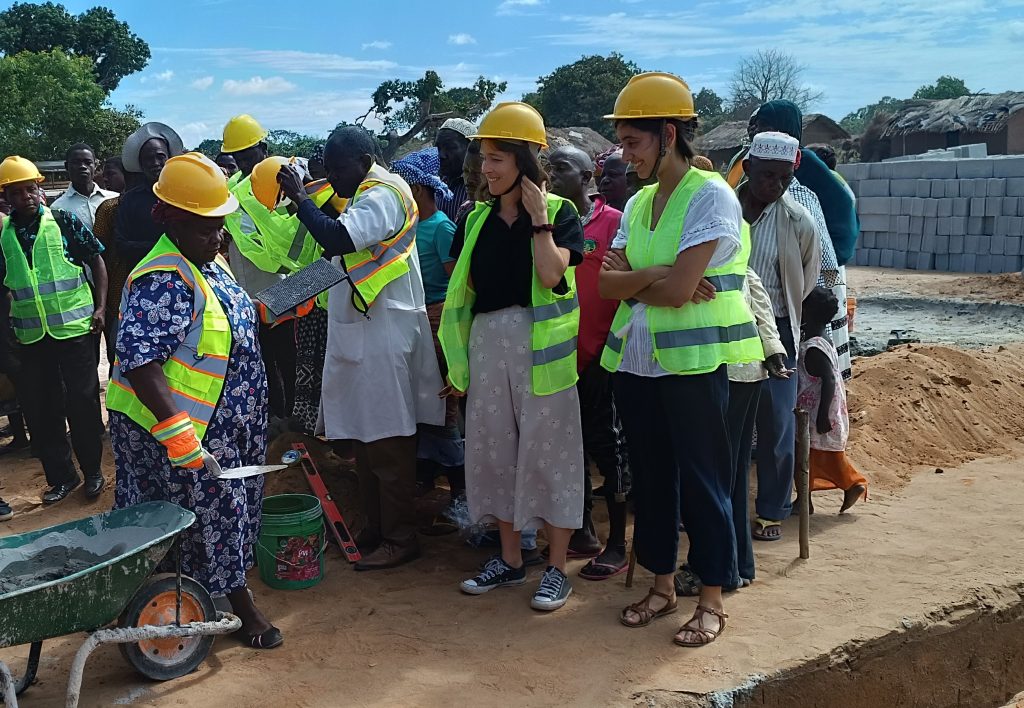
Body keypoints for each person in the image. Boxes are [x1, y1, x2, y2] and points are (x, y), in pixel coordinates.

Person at [599, 73, 762, 647]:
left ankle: (712, 596)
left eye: (634, 143)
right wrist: (655, 278)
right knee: (651, 477)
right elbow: (605, 283)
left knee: (703, 478)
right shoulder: (640, 200)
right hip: (640, 364)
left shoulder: (710, 194)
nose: (625, 155)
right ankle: (662, 584)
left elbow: (677, 291)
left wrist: (643, 282)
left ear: (668, 134)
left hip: (693, 364)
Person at [107, 152, 281, 649]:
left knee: (227, 507)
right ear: (170, 219)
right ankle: (238, 606)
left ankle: (196, 591)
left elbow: (218, 323)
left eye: (221, 225)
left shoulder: (206, 258)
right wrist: (179, 433)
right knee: (208, 512)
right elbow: (140, 362)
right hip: (177, 428)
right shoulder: (163, 277)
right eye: (206, 227)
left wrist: (265, 310)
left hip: (227, 424)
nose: (219, 236)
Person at [276, 125, 444, 571]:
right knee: (367, 441)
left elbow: (337, 239)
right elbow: (339, 264)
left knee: (388, 441)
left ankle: (400, 536)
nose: (331, 177)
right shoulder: (365, 193)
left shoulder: (383, 194)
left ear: (365, 159)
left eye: (338, 168)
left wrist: (301, 198)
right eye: (327, 169)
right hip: (365, 334)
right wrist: (277, 302)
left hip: (384, 336)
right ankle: (375, 528)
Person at [441, 102, 585, 611]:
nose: (486, 167)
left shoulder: (563, 215)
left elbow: (551, 276)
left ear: (526, 159)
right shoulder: (474, 219)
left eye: (498, 157)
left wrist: (540, 218)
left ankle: (556, 568)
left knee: (551, 452)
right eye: (484, 157)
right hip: (486, 345)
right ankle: (510, 559)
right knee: (495, 450)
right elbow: (467, 289)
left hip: (541, 350)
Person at [675, 266, 789, 596]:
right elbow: (757, 292)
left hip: (722, 373)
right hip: (745, 369)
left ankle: (713, 567)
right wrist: (772, 348)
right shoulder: (732, 250)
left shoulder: (700, 251)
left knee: (711, 477)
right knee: (729, 475)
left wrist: (772, 349)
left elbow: (753, 292)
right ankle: (737, 566)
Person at [0, 156, 107, 503]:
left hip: (74, 331)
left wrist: (102, 307)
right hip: (30, 339)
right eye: (17, 193)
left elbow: (96, 259)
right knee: (41, 410)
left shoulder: (63, 222)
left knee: (82, 403)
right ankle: (62, 477)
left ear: (39, 189)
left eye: (30, 189)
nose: (26, 197)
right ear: (7, 197)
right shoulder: (3, 237)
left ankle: (92, 472)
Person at [546, 145, 631, 580]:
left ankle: (618, 543)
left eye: (561, 167)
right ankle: (582, 531)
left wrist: (605, 357)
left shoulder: (615, 224)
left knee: (610, 450)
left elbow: (627, 296)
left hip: (602, 361)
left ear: (586, 177)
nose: (550, 173)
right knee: (566, 449)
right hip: (558, 361)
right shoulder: (549, 225)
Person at [735, 132, 821, 541]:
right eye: (768, 175)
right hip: (725, 328)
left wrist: (778, 325)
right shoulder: (719, 210)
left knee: (776, 424)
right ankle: (721, 507)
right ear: (748, 168)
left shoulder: (798, 223)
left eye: (785, 178)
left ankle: (771, 510)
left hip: (780, 331)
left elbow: (805, 282)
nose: (776, 185)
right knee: (721, 418)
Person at [733, 101, 856, 381]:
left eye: (761, 125)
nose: (753, 131)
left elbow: (819, 275)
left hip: (786, 317)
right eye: (753, 126)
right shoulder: (733, 193)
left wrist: (812, 327)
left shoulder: (798, 199)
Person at [390, 147, 465, 510]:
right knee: (421, 400)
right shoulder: (411, 226)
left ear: (418, 190)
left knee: (441, 403)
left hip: (436, 317)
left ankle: (459, 488)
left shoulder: (440, 228)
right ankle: (429, 475)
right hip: (418, 317)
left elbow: (455, 285)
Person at [798, 286, 867, 512]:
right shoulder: (821, 338)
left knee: (810, 459)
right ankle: (804, 499)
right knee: (812, 458)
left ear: (806, 312)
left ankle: (853, 484)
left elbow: (828, 380)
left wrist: (822, 415)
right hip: (820, 410)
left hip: (817, 412)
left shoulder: (813, 348)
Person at [116, 122, 184, 269]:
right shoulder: (129, 200)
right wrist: (165, 248)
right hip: (145, 273)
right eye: (148, 158)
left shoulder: (185, 194)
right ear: (140, 163)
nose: (155, 163)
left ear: (170, 158)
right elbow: (121, 244)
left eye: (160, 156)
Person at [52, 143, 118, 231]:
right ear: (66, 166)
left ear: (95, 166)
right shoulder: (57, 208)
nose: (83, 166)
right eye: (76, 163)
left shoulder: (115, 199)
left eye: (88, 163)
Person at [434, 118, 474, 221]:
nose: (441, 155)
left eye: (449, 147)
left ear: (470, 148)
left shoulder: (480, 188)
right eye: (438, 148)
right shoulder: (434, 185)